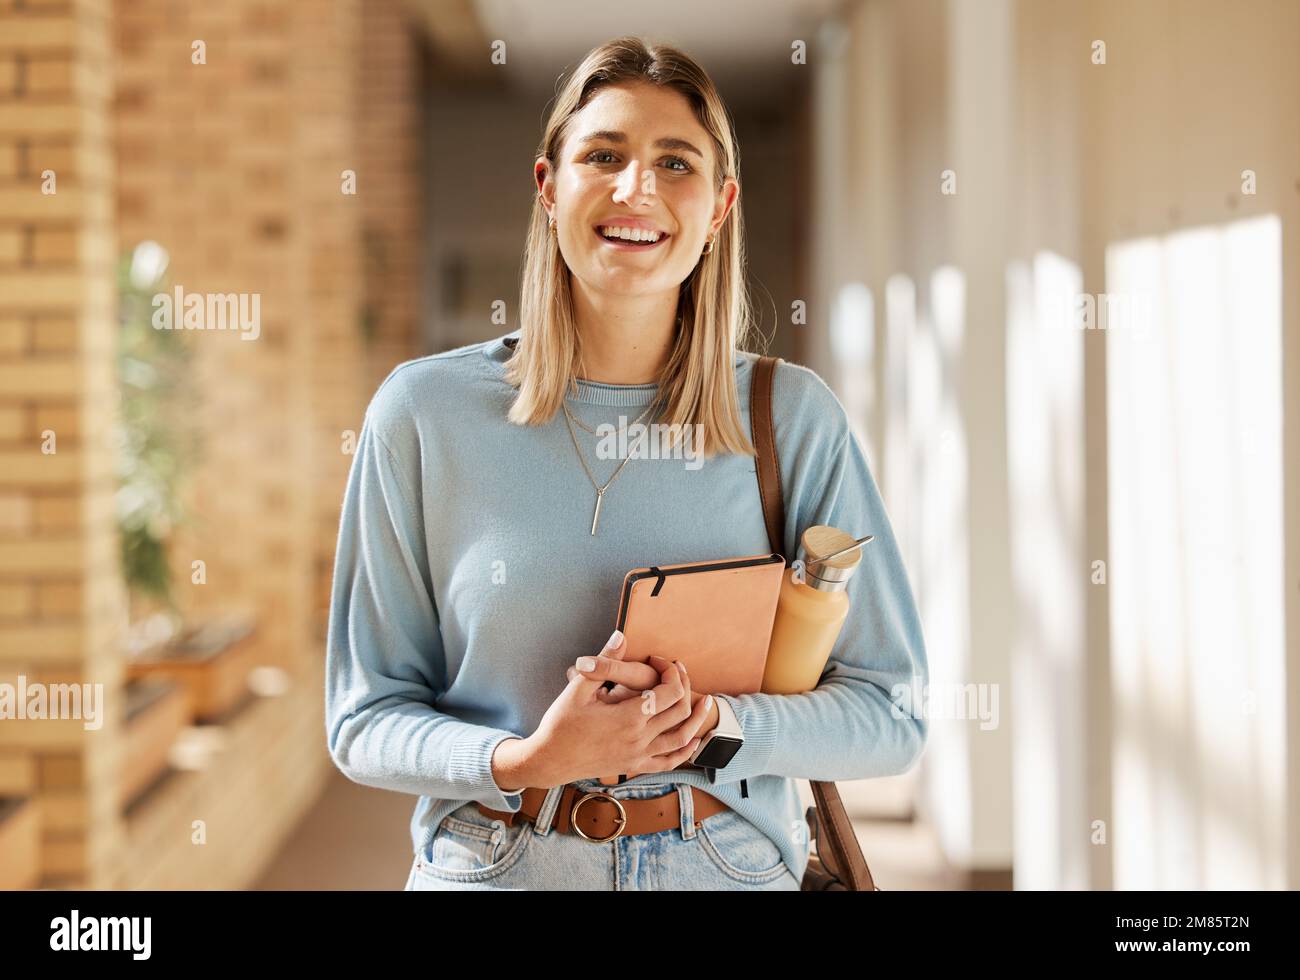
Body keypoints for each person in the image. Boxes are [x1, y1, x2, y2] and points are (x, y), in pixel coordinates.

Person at [324, 35, 929, 891]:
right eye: (603, 154)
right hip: (495, 866)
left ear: (719, 208)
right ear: (549, 187)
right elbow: (362, 720)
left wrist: (716, 723)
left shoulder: (792, 419)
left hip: (723, 867)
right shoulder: (421, 416)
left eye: (674, 162)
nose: (636, 187)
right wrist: (526, 757)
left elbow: (891, 713)